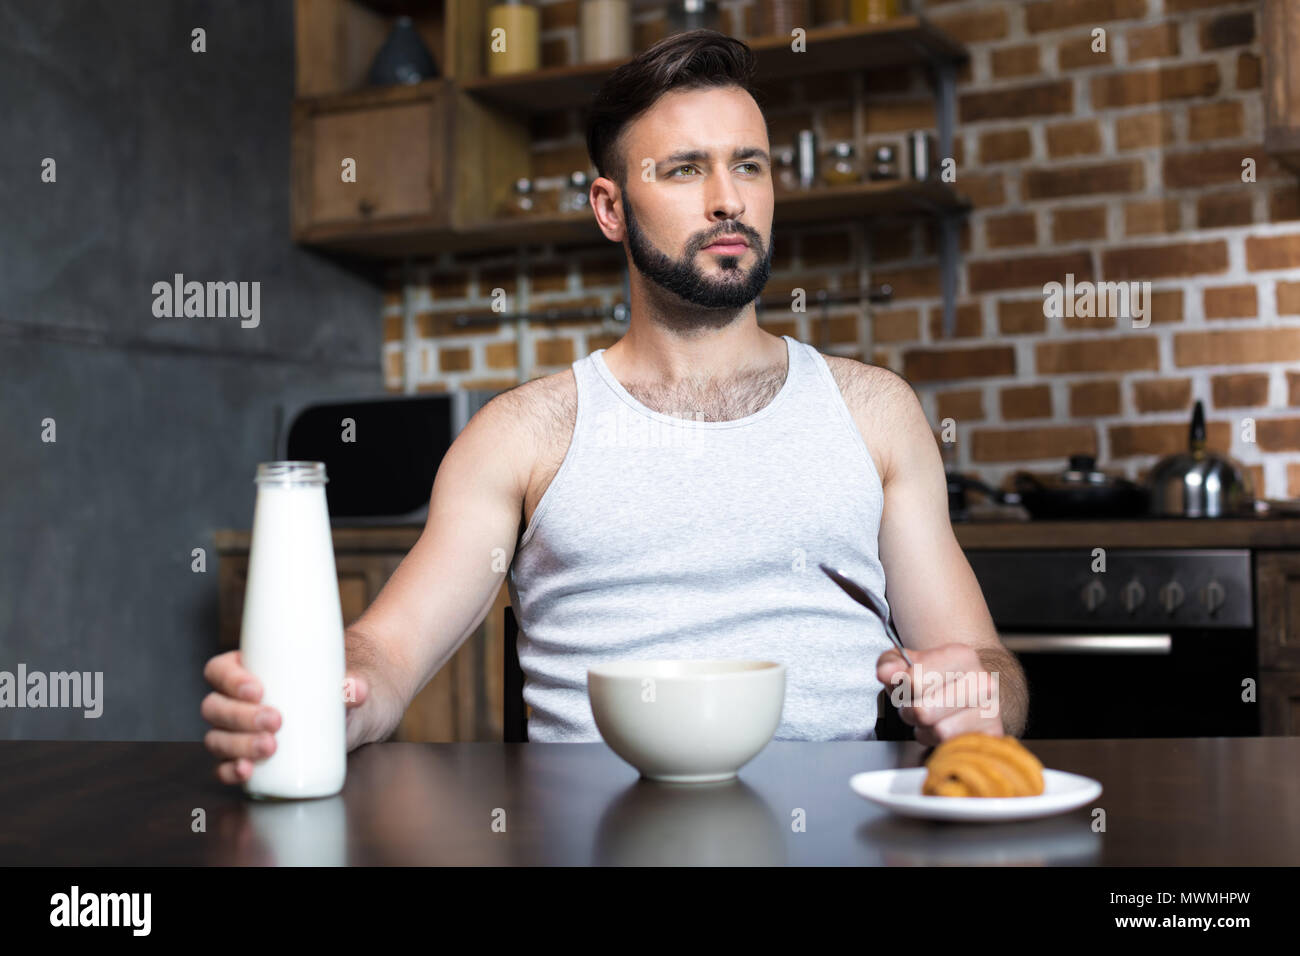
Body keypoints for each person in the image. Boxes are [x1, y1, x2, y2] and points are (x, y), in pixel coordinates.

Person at [202, 30, 1027, 783]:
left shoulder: (876, 413)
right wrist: (326, 696)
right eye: (683, 169)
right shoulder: (523, 436)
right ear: (609, 208)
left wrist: (974, 697)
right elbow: (385, 653)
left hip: (833, 834)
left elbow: (988, 669)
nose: (728, 200)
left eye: (749, 165)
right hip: (589, 837)